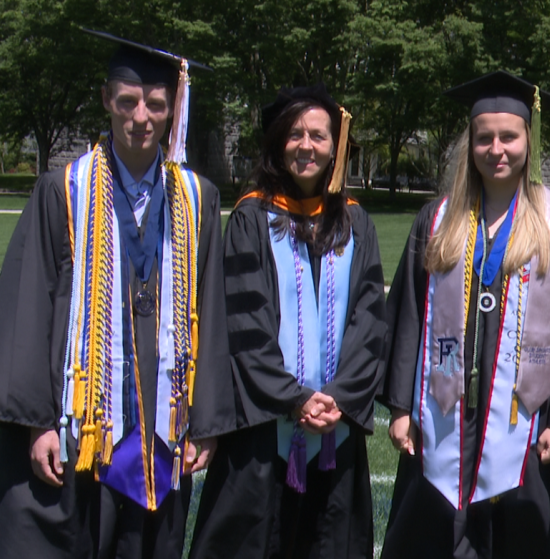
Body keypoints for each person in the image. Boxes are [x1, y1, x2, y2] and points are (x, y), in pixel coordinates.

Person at [0, 30, 233, 558]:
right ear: (107, 99)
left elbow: (212, 312)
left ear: (174, 108)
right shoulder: (63, 191)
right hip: (79, 425)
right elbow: (29, 307)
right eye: (128, 102)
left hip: (162, 429)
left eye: (156, 105)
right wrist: (36, 422)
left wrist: (205, 423)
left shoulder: (197, 199)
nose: (141, 118)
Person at [379, 70, 550, 558]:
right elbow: (410, 315)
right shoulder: (438, 221)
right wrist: (400, 406)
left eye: (508, 137)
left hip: (526, 429)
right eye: (484, 138)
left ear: (529, 140)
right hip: (443, 421)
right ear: (471, 143)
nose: (496, 149)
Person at [188, 84, 386, 559]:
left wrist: (337, 399)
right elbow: (244, 324)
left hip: (336, 430)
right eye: (295, 134)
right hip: (262, 433)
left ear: (336, 146)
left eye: (319, 135)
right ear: (279, 143)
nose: (306, 146)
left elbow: (369, 323)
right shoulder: (251, 218)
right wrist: (294, 399)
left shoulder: (356, 223)